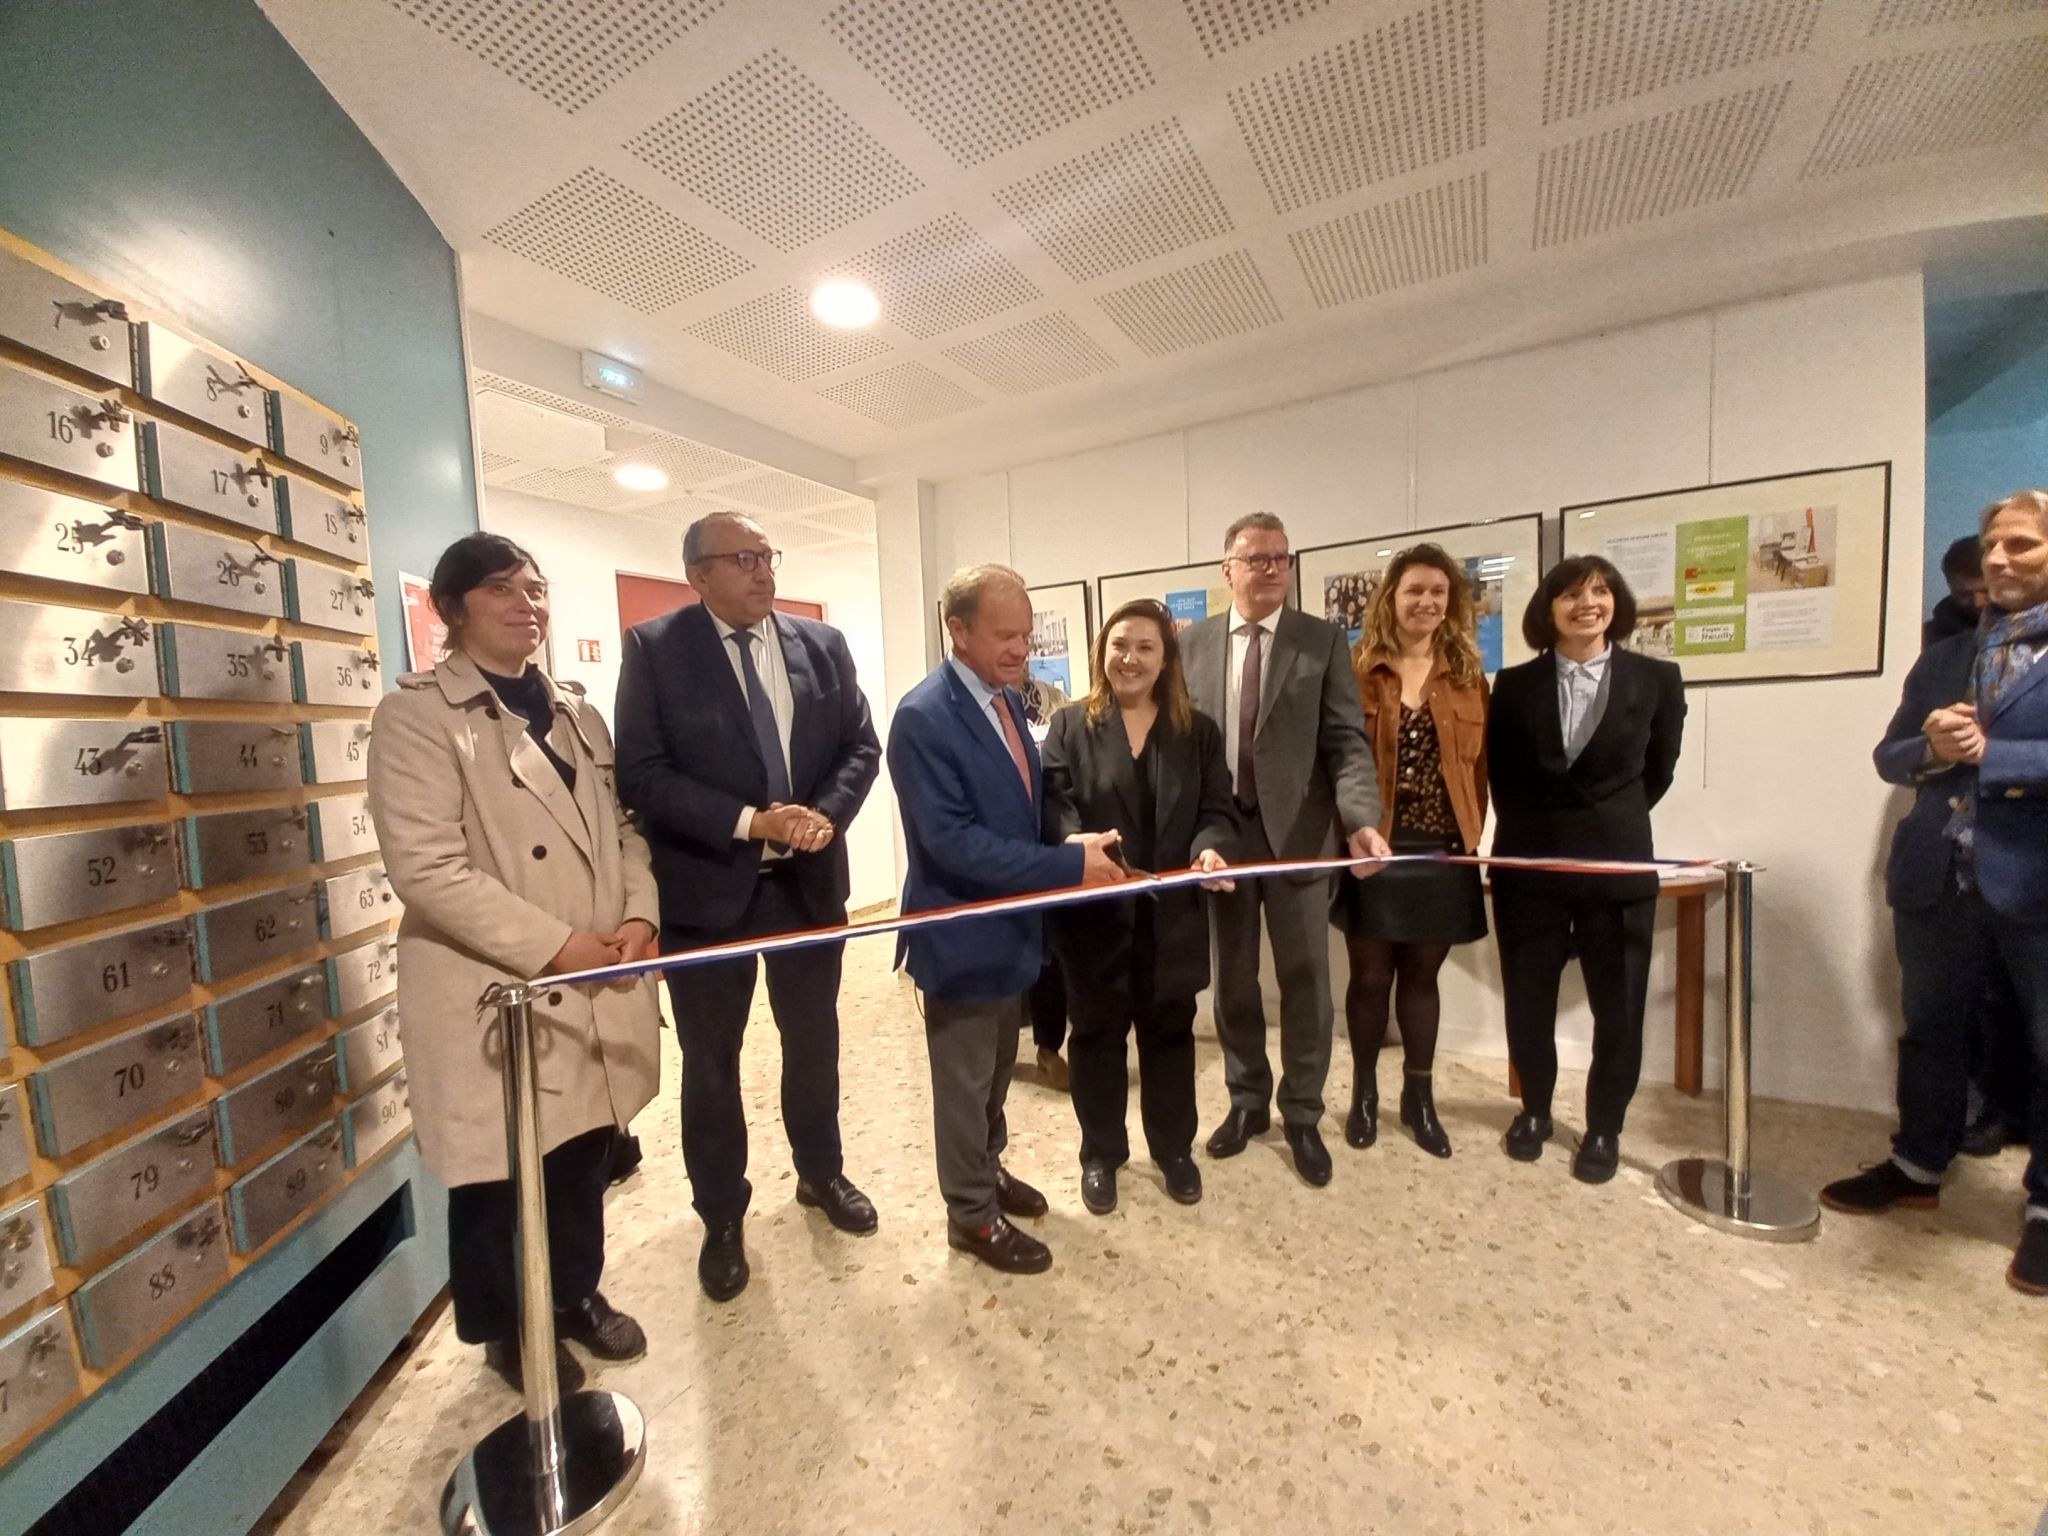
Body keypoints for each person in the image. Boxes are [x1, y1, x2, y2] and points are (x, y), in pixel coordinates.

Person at [368, 533, 660, 1393]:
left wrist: (639, 913)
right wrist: (555, 945)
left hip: (595, 972)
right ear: (452, 608)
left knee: (579, 1150)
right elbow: (425, 868)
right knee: (500, 1169)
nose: (527, 604)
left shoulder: (576, 710)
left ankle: (573, 1294)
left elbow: (623, 831)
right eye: (502, 589)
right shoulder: (418, 717)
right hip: (494, 981)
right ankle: (507, 1330)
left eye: (535, 589)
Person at [613, 511, 881, 1304]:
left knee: (814, 1044)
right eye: (744, 558)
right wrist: (751, 823)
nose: (764, 572)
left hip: (805, 888)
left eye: (768, 556)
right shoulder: (657, 650)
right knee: (713, 1064)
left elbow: (860, 747)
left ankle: (821, 1175)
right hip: (707, 892)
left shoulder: (821, 647)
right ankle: (722, 1218)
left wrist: (822, 816)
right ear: (699, 575)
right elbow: (644, 775)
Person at [1822, 489, 2048, 1296]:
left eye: (2021, 545)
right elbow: (1891, 756)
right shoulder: (1947, 655)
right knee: (1931, 1030)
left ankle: (2045, 1212)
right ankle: (1918, 1162)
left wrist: (1993, 756)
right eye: (1993, 545)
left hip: (2033, 879)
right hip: (1937, 875)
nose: (1999, 560)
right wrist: (1931, 746)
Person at [888, 565, 1128, 1273]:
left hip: (1012, 933)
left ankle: (986, 1170)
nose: (1023, 648)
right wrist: (1066, 869)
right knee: (964, 1087)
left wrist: (1065, 843)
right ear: (957, 630)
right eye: (1005, 635)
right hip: (960, 937)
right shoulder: (924, 716)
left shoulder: (1004, 699)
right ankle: (969, 1213)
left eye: (1026, 634)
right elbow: (952, 843)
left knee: (995, 1075)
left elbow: (1020, 809)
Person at [1183, 513, 1387, 1186]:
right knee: (1234, 980)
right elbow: (1184, 750)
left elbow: (1346, 742)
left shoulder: (1321, 640)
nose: (1270, 568)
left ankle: (1301, 1110)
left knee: (1306, 983)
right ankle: (1247, 1102)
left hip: (1300, 836)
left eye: (1280, 558)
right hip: (1224, 836)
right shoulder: (1194, 646)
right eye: (1256, 559)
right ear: (1227, 570)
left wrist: (1360, 818)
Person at [1486, 555, 1686, 1184]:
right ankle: (1536, 1113)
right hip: (1530, 866)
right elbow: (1503, 777)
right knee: (1528, 1001)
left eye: (1599, 592)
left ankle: (1604, 1127)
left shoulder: (1657, 678)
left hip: (1617, 865)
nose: (1586, 605)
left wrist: (1604, 822)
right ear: (1548, 610)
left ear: (1616, 605)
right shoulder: (1512, 685)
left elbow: (1658, 771)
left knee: (1619, 1007)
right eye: (1570, 595)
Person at [1041, 599, 1237, 1214]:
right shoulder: (1070, 726)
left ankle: (1175, 1151)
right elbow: (1054, 804)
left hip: (1172, 917)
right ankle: (1101, 1155)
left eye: (1145, 647)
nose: (1130, 658)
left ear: (1165, 658)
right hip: (1096, 919)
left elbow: (1217, 812)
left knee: (1170, 1039)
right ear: (1103, 651)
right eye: (1119, 644)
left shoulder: (1197, 732)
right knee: (1096, 1038)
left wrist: (1210, 851)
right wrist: (1073, 842)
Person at [1331, 545, 1490, 1159]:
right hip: (1376, 845)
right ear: (1390, 598)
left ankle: (1418, 1098)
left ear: (1450, 604)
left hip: (1442, 851)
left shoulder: (1469, 677)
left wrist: (1475, 840)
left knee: (1422, 979)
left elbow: (1481, 772)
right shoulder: (1356, 669)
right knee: (1370, 978)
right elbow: (1339, 761)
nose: (1426, 602)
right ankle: (1364, 1094)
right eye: (1414, 590)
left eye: (1438, 593)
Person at [1924, 529, 1988, 647]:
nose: (1977, 602)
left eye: (1987, 591)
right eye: (1964, 594)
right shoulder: (1926, 640)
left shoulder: (2030, 634)